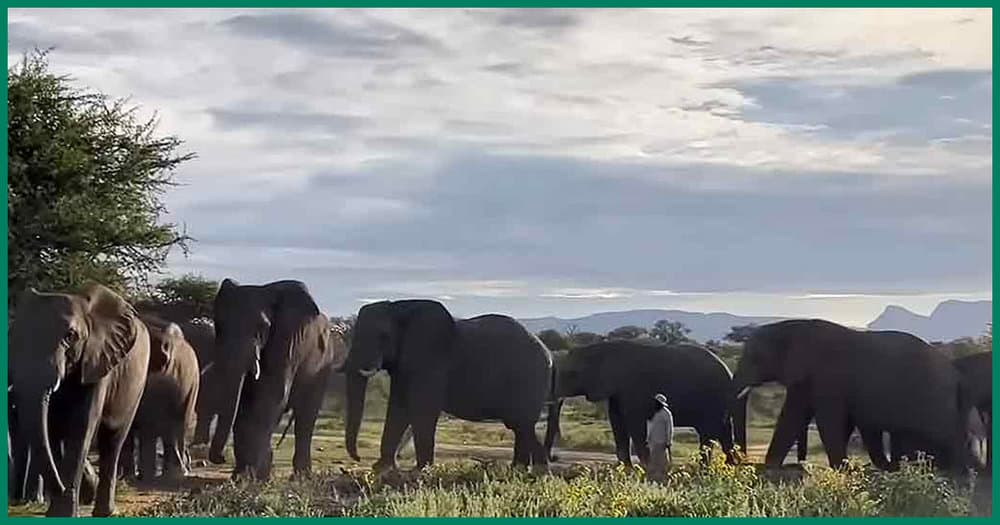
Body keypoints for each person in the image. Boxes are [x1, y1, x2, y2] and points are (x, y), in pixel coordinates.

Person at [646, 393, 674, 482]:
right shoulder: (652, 413)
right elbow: (649, 427)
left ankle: (663, 479)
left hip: (661, 441)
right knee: (653, 461)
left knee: (661, 461)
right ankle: (653, 479)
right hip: (652, 441)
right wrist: (648, 439)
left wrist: (669, 441)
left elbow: (669, 428)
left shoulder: (666, 413)